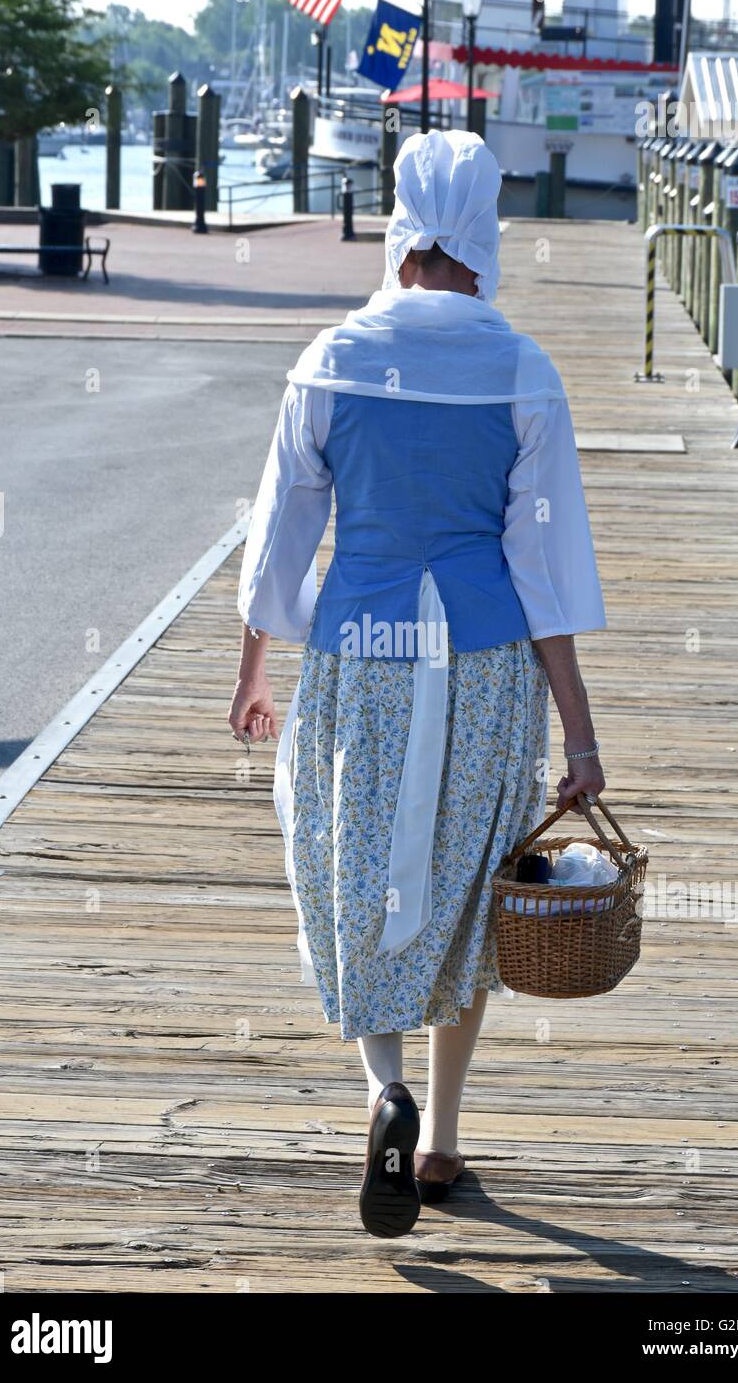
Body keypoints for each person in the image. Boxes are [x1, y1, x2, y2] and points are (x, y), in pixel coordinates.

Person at [229, 129, 606, 1239]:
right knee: (464, 897)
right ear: (486, 236)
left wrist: (255, 671)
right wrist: (580, 738)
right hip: (487, 671)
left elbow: (281, 536)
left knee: (349, 879)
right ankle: (438, 1134)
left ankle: (378, 1091)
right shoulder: (522, 372)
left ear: (398, 228)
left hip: (360, 662)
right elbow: (546, 574)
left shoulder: (331, 360)